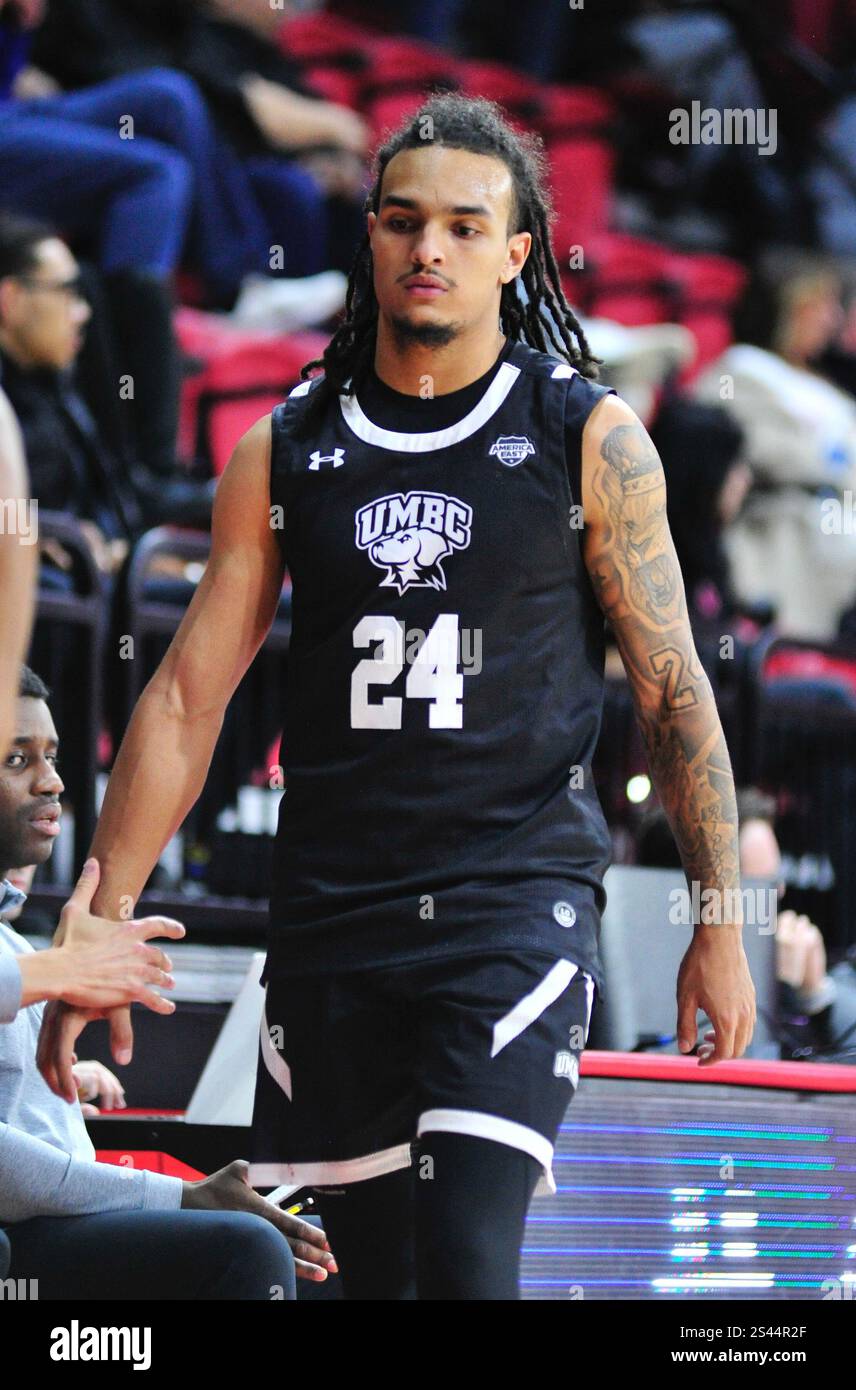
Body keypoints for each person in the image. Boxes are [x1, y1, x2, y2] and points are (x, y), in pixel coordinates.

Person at [39, 94, 755, 1300]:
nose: (431, 247)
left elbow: (674, 690)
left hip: (509, 909)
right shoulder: (285, 446)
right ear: (369, 235)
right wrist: (96, 931)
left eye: (466, 227)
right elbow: (182, 703)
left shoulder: (586, 434)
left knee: (468, 1257)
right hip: (331, 919)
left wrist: (719, 924)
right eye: (404, 220)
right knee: (372, 1283)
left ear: (516, 253)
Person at [0, 663, 337, 1297]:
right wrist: (182, 1196)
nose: (53, 781)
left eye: (52, 756)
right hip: (22, 1249)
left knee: (343, 1250)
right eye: (18, 760)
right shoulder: (24, 960)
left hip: (59, 1224)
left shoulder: (15, 943)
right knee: (250, 1250)